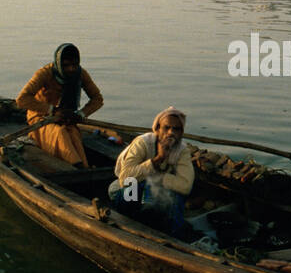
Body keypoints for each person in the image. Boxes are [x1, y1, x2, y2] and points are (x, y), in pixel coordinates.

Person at [108, 107, 194, 236]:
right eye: (167, 128)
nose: (171, 133)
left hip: (156, 192)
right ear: (158, 129)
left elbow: (185, 186)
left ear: (181, 133)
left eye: (176, 129)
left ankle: (174, 236)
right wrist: (157, 160)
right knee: (132, 187)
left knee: (175, 197)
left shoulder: (182, 151)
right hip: (124, 189)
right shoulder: (143, 143)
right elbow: (125, 178)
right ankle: (126, 223)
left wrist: (158, 178)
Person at [15, 43, 103, 167]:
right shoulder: (44, 73)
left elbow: (97, 99)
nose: (71, 69)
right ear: (58, 63)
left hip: (66, 119)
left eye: (74, 64)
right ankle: (76, 166)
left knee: (74, 135)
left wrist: (80, 114)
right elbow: (22, 99)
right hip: (41, 119)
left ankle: (84, 167)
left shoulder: (81, 74)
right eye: (66, 65)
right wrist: (53, 110)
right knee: (59, 133)